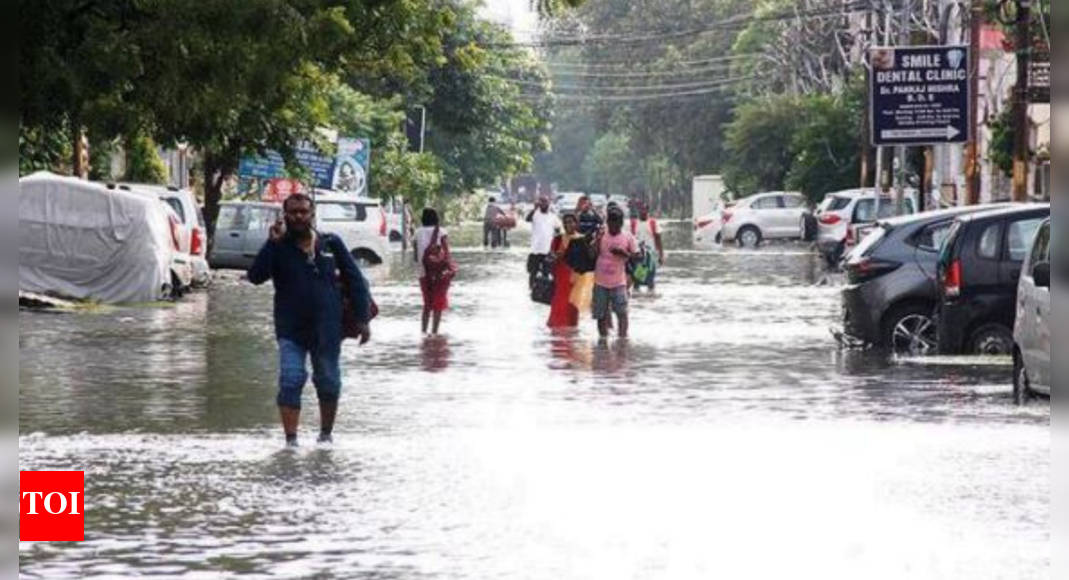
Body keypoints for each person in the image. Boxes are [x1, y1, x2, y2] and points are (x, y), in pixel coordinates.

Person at [247, 193, 373, 448]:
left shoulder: (330, 244)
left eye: (303, 211)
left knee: (328, 381)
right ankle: (291, 443)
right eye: (293, 212)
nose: (298, 217)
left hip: (328, 329)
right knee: (291, 379)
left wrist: (362, 319)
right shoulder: (278, 248)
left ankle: (325, 436)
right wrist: (270, 244)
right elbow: (255, 276)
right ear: (285, 216)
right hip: (291, 329)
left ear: (312, 214)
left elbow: (357, 281)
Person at [593, 207, 639, 339]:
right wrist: (597, 239)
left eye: (616, 226)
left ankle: (622, 340)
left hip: (619, 283)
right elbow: (591, 254)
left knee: (622, 313)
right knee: (600, 314)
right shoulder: (601, 234)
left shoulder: (628, 237)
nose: (612, 228)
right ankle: (603, 342)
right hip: (600, 282)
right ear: (607, 222)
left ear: (621, 224)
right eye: (610, 225)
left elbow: (638, 257)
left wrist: (624, 253)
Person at [415, 208, 453, 336]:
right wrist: (450, 268)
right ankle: (435, 333)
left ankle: (423, 332)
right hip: (439, 273)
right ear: (436, 218)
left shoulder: (417, 233)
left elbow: (416, 256)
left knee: (427, 303)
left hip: (423, 272)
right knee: (438, 302)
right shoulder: (441, 232)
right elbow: (447, 253)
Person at [548, 214, 582, 329]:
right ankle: (556, 332)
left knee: (572, 308)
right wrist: (557, 256)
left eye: (571, 222)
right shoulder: (557, 239)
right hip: (561, 279)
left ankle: (570, 334)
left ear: (576, 223)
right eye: (566, 222)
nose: (568, 225)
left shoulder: (582, 239)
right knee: (559, 304)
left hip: (576, 279)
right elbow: (550, 258)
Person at [526, 196, 561, 290]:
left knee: (546, 272)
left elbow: (558, 229)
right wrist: (534, 208)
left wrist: (556, 244)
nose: (544, 204)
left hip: (548, 250)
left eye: (546, 202)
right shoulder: (535, 214)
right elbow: (527, 219)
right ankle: (531, 289)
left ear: (549, 203)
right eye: (542, 202)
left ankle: (543, 291)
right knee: (533, 272)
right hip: (535, 249)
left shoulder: (553, 216)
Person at [630, 205, 666, 292]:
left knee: (650, 279)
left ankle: (651, 297)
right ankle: (637, 299)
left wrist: (661, 256)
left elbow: (658, 240)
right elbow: (630, 239)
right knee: (637, 280)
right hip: (638, 256)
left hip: (650, 256)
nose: (643, 212)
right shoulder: (634, 223)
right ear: (639, 211)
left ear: (647, 211)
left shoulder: (653, 223)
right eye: (641, 210)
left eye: (644, 210)